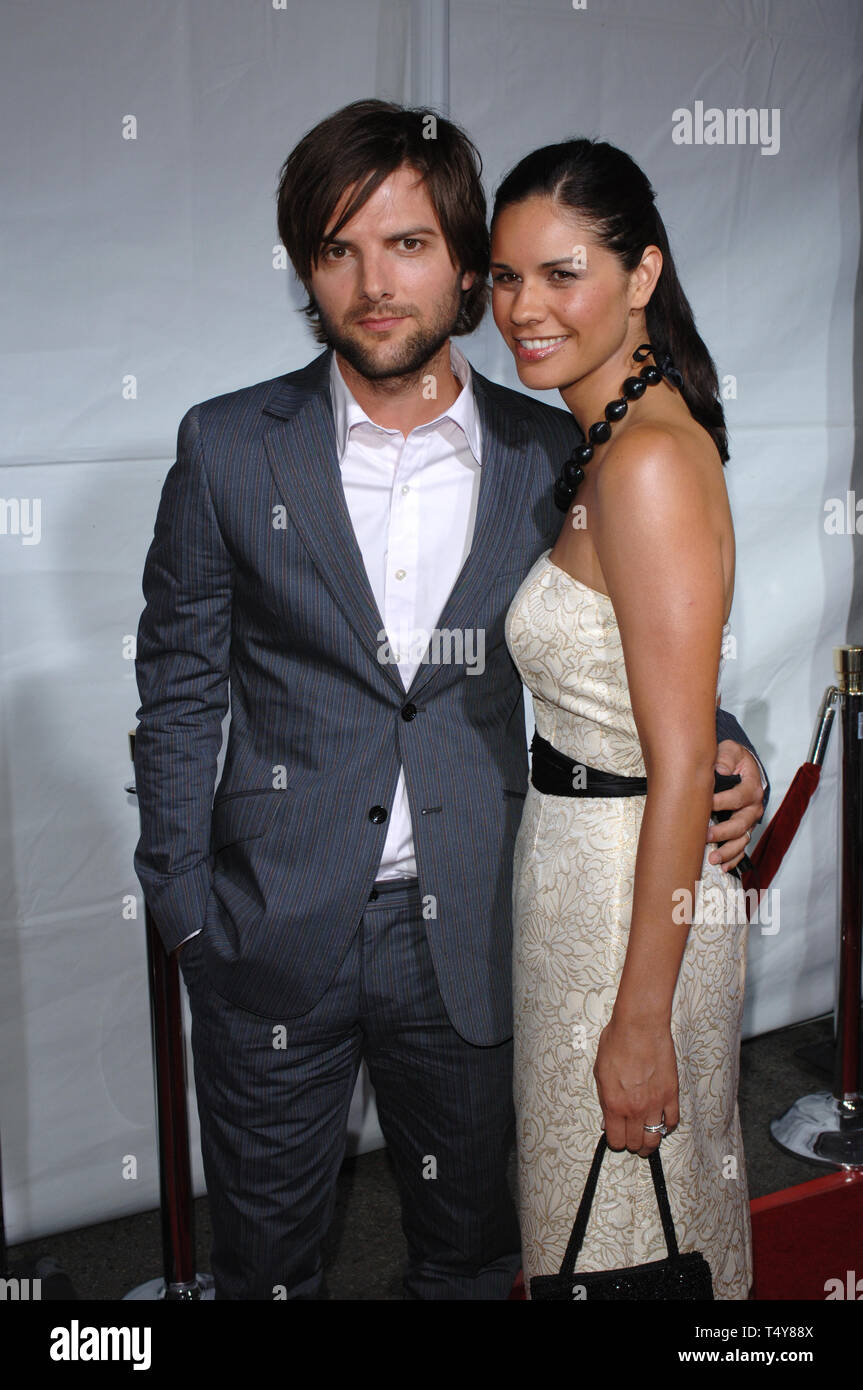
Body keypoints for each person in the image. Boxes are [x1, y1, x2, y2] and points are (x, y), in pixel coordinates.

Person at [132, 101, 766, 1301]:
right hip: (269, 933)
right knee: (263, 1269)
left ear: (464, 265)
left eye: (408, 244)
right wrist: (184, 907)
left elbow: (631, 647)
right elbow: (175, 684)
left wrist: (721, 746)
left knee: (475, 1261)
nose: (374, 284)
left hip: (478, 934)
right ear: (304, 268)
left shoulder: (554, 446)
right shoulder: (229, 448)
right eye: (337, 249)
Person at [491, 137, 755, 1298]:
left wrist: (639, 1021)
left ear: (640, 274)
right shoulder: (613, 438)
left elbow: (682, 757)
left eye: (561, 273)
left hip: (625, 910)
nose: (522, 308)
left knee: (624, 1239)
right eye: (505, 277)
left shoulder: (644, 461)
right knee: (608, 1229)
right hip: (588, 886)